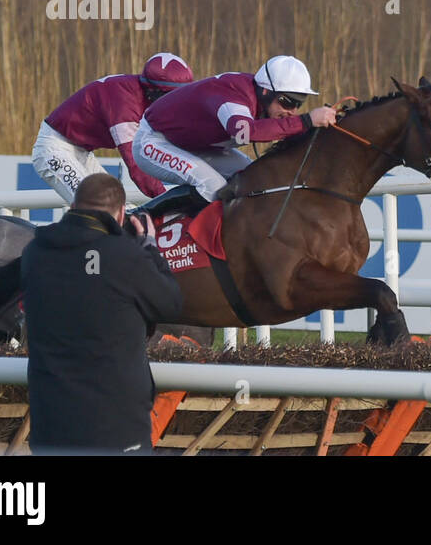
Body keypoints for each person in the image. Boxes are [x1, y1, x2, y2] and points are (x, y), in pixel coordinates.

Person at [22, 173, 183, 455]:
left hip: (50, 433)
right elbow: (171, 303)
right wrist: (149, 247)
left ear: (73, 206)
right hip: (117, 434)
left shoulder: (34, 252)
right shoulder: (125, 256)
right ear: (121, 215)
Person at [130, 55, 338, 218]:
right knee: (212, 187)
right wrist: (306, 121)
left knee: (252, 177)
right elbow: (245, 132)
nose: (291, 111)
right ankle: (138, 217)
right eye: (287, 102)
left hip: (193, 144)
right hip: (154, 141)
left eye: (298, 104)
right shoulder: (232, 97)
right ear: (265, 92)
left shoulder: (258, 94)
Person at [32, 53, 194, 204]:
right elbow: (137, 166)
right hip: (54, 149)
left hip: (80, 151)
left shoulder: (144, 94)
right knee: (98, 207)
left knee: (120, 209)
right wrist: (168, 200)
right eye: (173, 97)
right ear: (155, 91)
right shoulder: (126, 104)